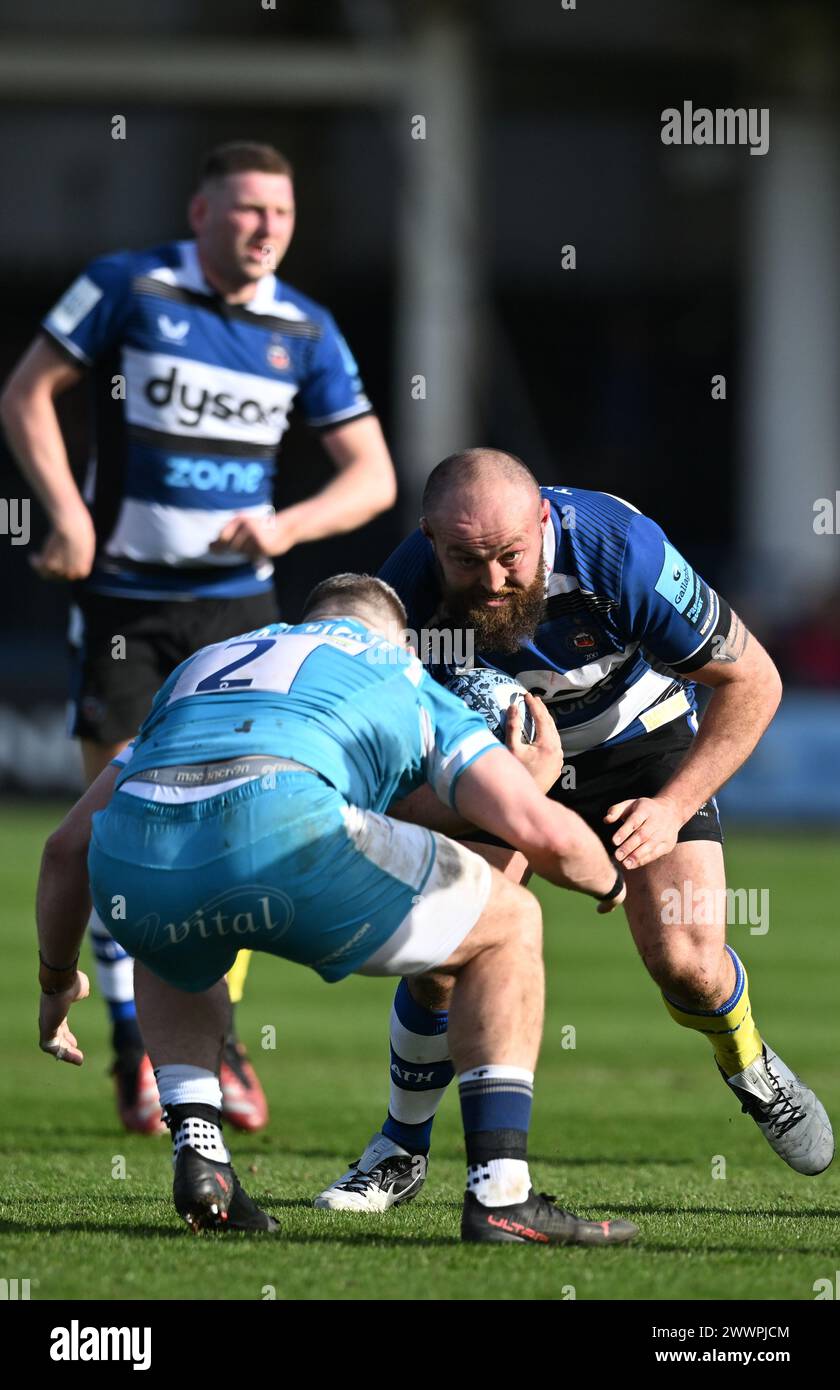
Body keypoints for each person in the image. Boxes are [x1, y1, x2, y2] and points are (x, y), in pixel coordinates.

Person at [35, 575, 636, 1246]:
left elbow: (64, 850)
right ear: (400, 638)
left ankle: (201, 1155)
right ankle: (501, 1196)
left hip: (141, 863)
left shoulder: (199, 669)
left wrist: (57, 982)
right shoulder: (399, 674)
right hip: (285, 826)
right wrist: (609, 880)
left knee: (175, 911)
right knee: (512, 922)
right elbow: (545, 836)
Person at [314, 449, 833, 1212]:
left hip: (640, 750)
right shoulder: (403, 597)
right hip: (498, 762)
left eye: (510, 558)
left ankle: (750, 1065)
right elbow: (388, 751)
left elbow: (755, 680)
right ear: (429, 539)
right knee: (442, 952)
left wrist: (670, 805)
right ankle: (399, 1147)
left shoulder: (622, 552)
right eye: (466, 560)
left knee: (688, 963)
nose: (492, 582)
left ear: (544, 522)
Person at [1, 141, 397, 1134]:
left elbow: (374, 475)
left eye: (284, 214)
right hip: (128, 604)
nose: (268, 229)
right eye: (250, 210)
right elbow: (25, 392)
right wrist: (67, 513)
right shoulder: (128, 286)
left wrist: (290, 525)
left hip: (239, 614)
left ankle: (216, 1044)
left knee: (244, 826)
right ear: (201, 211)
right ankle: (138, 1050)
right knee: (112, 825)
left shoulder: (304, 329)